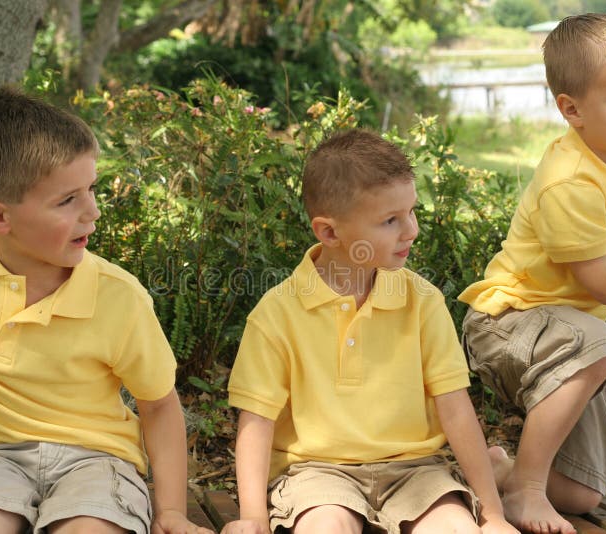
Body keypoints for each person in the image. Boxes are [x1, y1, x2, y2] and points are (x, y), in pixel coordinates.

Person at [0, 87, 212, 534]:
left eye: (91, 189)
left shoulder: (118, 296)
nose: (94, 211)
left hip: (98, 461)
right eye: (68, 200)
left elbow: (159, 405)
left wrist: (172, 512)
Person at [458, 13, 606, 534]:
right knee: (603, 343)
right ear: (572, 110)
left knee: (583, 493)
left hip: (573, 341)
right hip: (508, 322)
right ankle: (524, 493)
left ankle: (503, 470)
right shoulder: (568, 182)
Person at [221, 129, 518, 534]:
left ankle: (492, 478)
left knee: (455, 529)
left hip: (415, 472)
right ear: (329, 232)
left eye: (412, 212)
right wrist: (253, 519)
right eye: (390, 220)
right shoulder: (276, 314)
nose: (410, 230)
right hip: (317, 475)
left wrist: (494, 516)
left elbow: (456, 410)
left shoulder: (423, 302)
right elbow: (256, 424)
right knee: (325, 528)